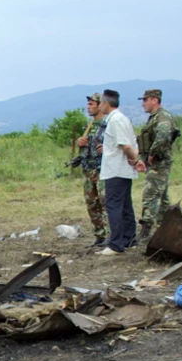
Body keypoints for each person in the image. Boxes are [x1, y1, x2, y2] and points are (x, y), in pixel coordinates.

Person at [95, 89, 139, 255]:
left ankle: (115, 244)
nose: (99, 106)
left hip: (116, 170)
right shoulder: (122, 119)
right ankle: (128, 238)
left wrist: (134, 160)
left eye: (100, 103)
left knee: (114, 206)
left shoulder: (115, 120)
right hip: (122, 170)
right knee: (126, 205)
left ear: (106, 103)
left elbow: (125, 145)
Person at [134, 89, 176, 242]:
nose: (143, 103)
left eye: (145, 100)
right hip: (155, 162)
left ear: (154, 100)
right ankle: (167, 226)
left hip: (159, 162)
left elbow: (163, 135)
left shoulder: (162, 116)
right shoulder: (154, 118)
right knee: (162, 196)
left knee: (150, 195)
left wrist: (152, 153)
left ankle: (146, 229)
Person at [75, 93, 108, 247]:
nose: (88, 107)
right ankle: (100, 235)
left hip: (102, 169)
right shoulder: (90, 125)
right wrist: (80, 143)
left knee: (106, 202)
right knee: (92, 203)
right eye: (88, 104)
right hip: (88, 170)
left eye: (91, 104)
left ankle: (111, 235)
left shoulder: (108, 124)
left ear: (100, 105)